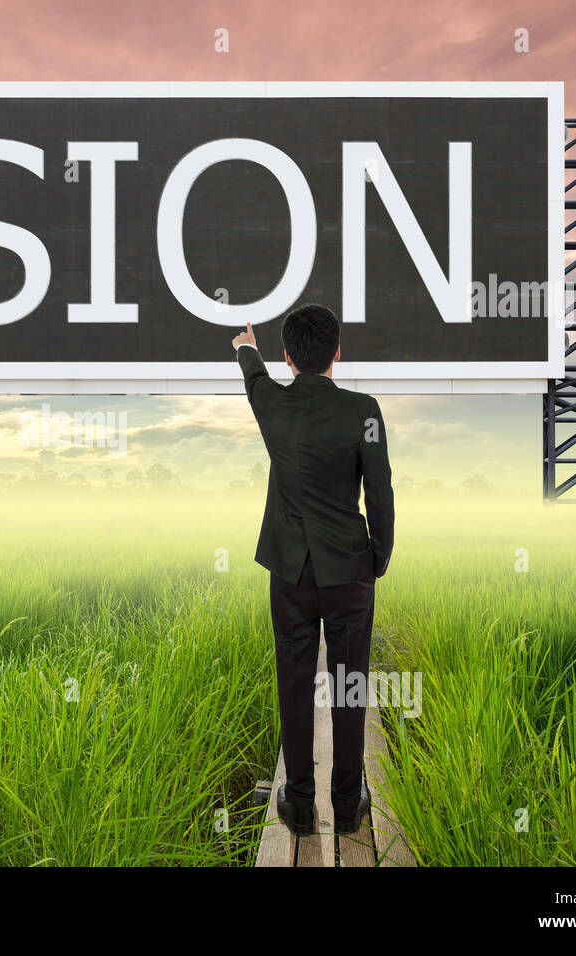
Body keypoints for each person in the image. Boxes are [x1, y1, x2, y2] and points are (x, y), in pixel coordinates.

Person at [231, 303, 394, 836]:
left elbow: (254, 378)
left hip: (291, 574)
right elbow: (381, 493)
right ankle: (348, 804)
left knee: (295, 682)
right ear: (337, 353)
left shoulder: (272, 407)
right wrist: (379, 558)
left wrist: (245, 347)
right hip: (350, 571)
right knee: (349, 684)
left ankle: (299, 804)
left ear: (289, 357)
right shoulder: (365, 410)